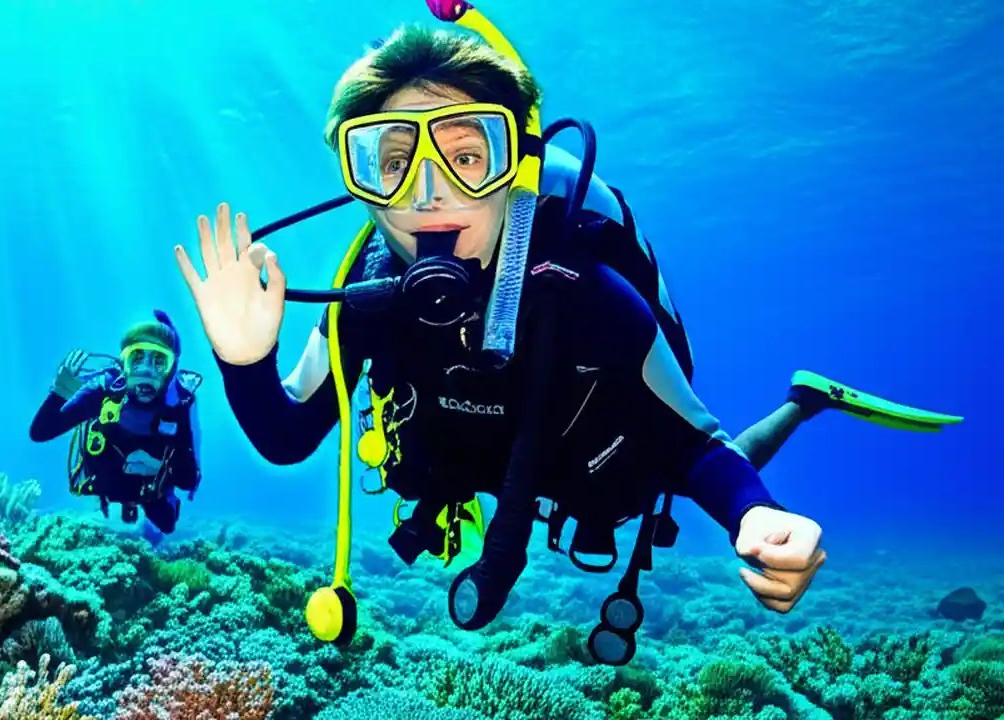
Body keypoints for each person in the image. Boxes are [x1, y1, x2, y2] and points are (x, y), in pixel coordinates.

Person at [174, 4, 961, 662]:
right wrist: (245, 358)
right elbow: (286, 435)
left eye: (468, 153)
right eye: (390, 160)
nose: (431, 191)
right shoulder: (366, 303)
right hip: (478, 476)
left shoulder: (583, 293)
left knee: (663, 476)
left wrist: (755, 515)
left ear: (515, 164)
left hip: (604, 473)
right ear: (362, 187)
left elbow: (694, 444)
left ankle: (801, 400)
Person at [29, 311, 204, 538]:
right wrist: (60, 393)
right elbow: (41, 432)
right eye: (137, 358)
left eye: (159, 361)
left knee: (167, 525)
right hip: (106, 482)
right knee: (106, 506)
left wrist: (156, 467)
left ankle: (150, 507)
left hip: (152, 487)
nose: (147, 370)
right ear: (123, 363)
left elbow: (187, 479)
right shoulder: (104, 391)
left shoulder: (178, 405)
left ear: (171, 369)